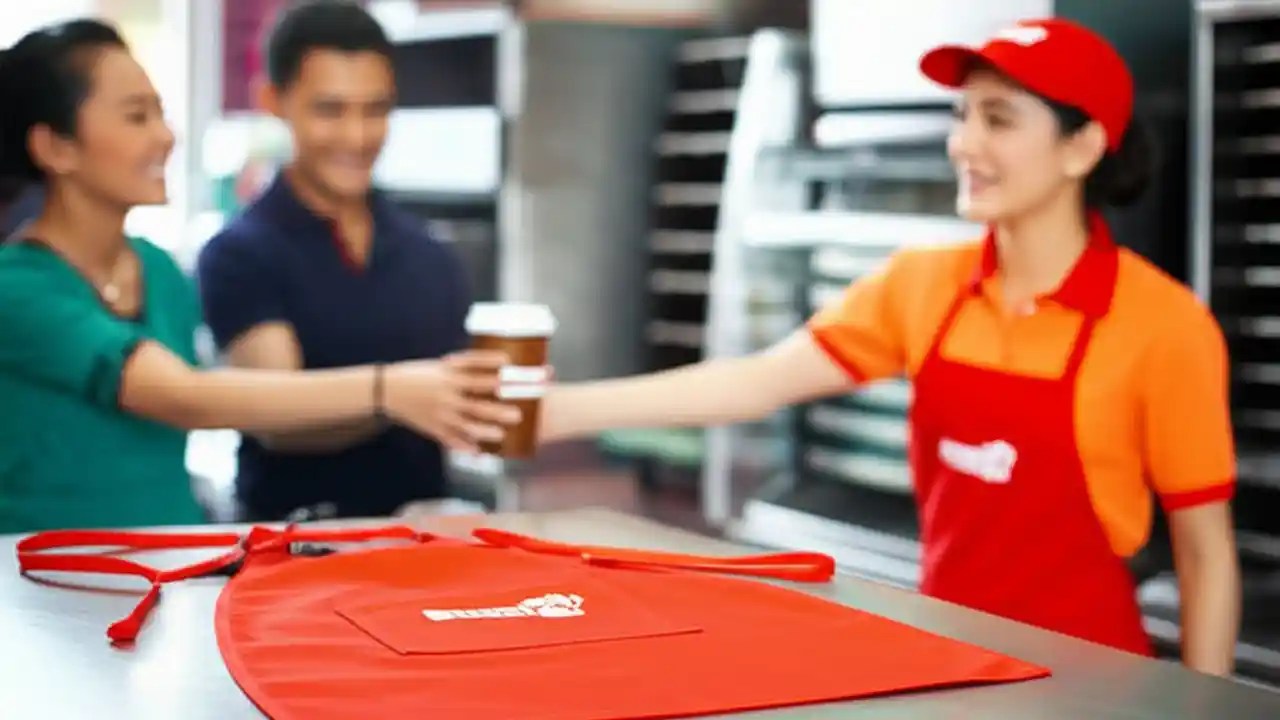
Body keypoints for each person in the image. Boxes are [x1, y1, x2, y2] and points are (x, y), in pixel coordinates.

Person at [538, 19, 1241, 675]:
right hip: (945, 667)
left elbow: (1205, 554)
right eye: (962, 116)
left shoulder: (1163, 324)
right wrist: (556, 411)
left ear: (1081, 147)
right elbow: (756, 381)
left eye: (998, 120)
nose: (963, 144)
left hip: (1094, 684)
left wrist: (1208, 707)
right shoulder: (922, 285)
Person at [0, 19, 518, 533]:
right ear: (55, 147)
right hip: (49, 569)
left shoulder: (158, 270)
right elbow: (187, 397)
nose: (166, 136)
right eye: (137, 117)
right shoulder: (17, 286)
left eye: (161, 113)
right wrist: (390, 391)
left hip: (171, 562)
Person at [196, 1, 478, 521]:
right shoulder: (240, 254)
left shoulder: (428, 252)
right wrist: (394, 396)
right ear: (272, 101)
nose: (357, 136)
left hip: (421, 540)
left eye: (376, 110)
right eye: (330, 110)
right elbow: (276, 417)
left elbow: (460, 397)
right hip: (292, 542)